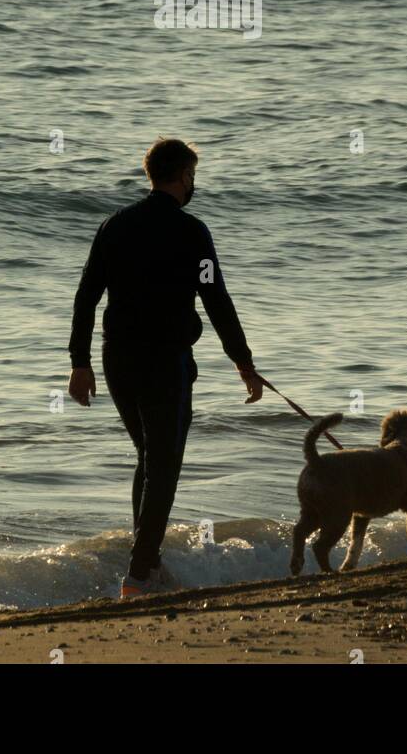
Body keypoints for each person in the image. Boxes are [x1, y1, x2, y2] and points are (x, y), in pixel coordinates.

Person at [67, 138, 263, 597]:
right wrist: (244, 361)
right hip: (164, 362)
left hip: (117, 360)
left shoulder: (114, 225)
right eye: (193, 176)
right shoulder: (192, 232)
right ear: (185, 176)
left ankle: (149, 564)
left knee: (150, 459)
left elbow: (86, 295)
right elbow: (216, 298)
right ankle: (138, 575)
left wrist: (80, 362)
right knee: (164, 464)